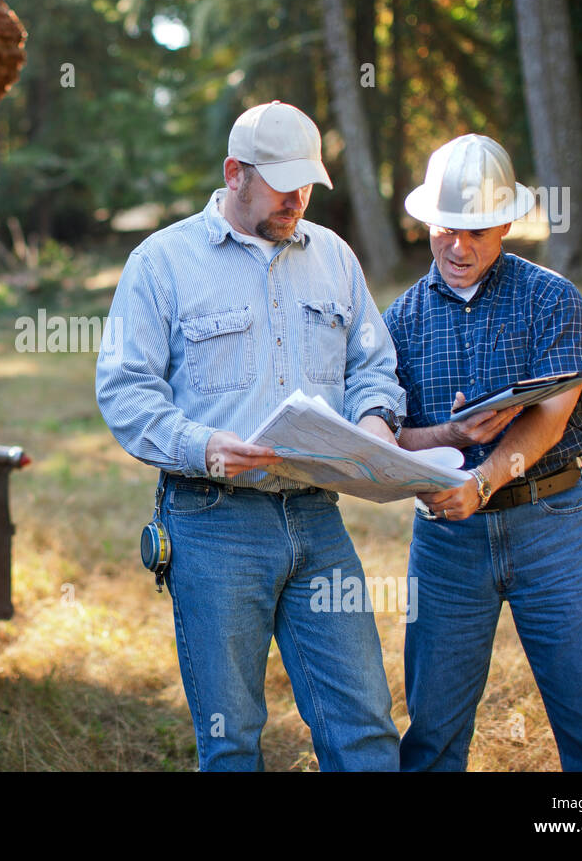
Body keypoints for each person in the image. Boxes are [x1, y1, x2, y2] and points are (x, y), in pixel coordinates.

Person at [95, 100, 406, 771]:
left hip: (319, 518)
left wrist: (376, 423)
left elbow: (373, 362)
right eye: (281, 182)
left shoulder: (334, 257)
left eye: (306, 183)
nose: (297, 197)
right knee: (231, 737)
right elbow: (124, 389)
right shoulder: (160, 263)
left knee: (366, 725)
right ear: (235, 172)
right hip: (213, 523)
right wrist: (202, 445)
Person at [383, 133, 582, 771]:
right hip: (446, 541)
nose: (458, 247)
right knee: (433, 736)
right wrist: (448, 439)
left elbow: (552, 418)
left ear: (505, 222)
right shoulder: (400, 321)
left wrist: (485, 478)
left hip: (552, 527)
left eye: (476, 231)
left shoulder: (553, 299)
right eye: (445, 228)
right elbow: (385, 436)